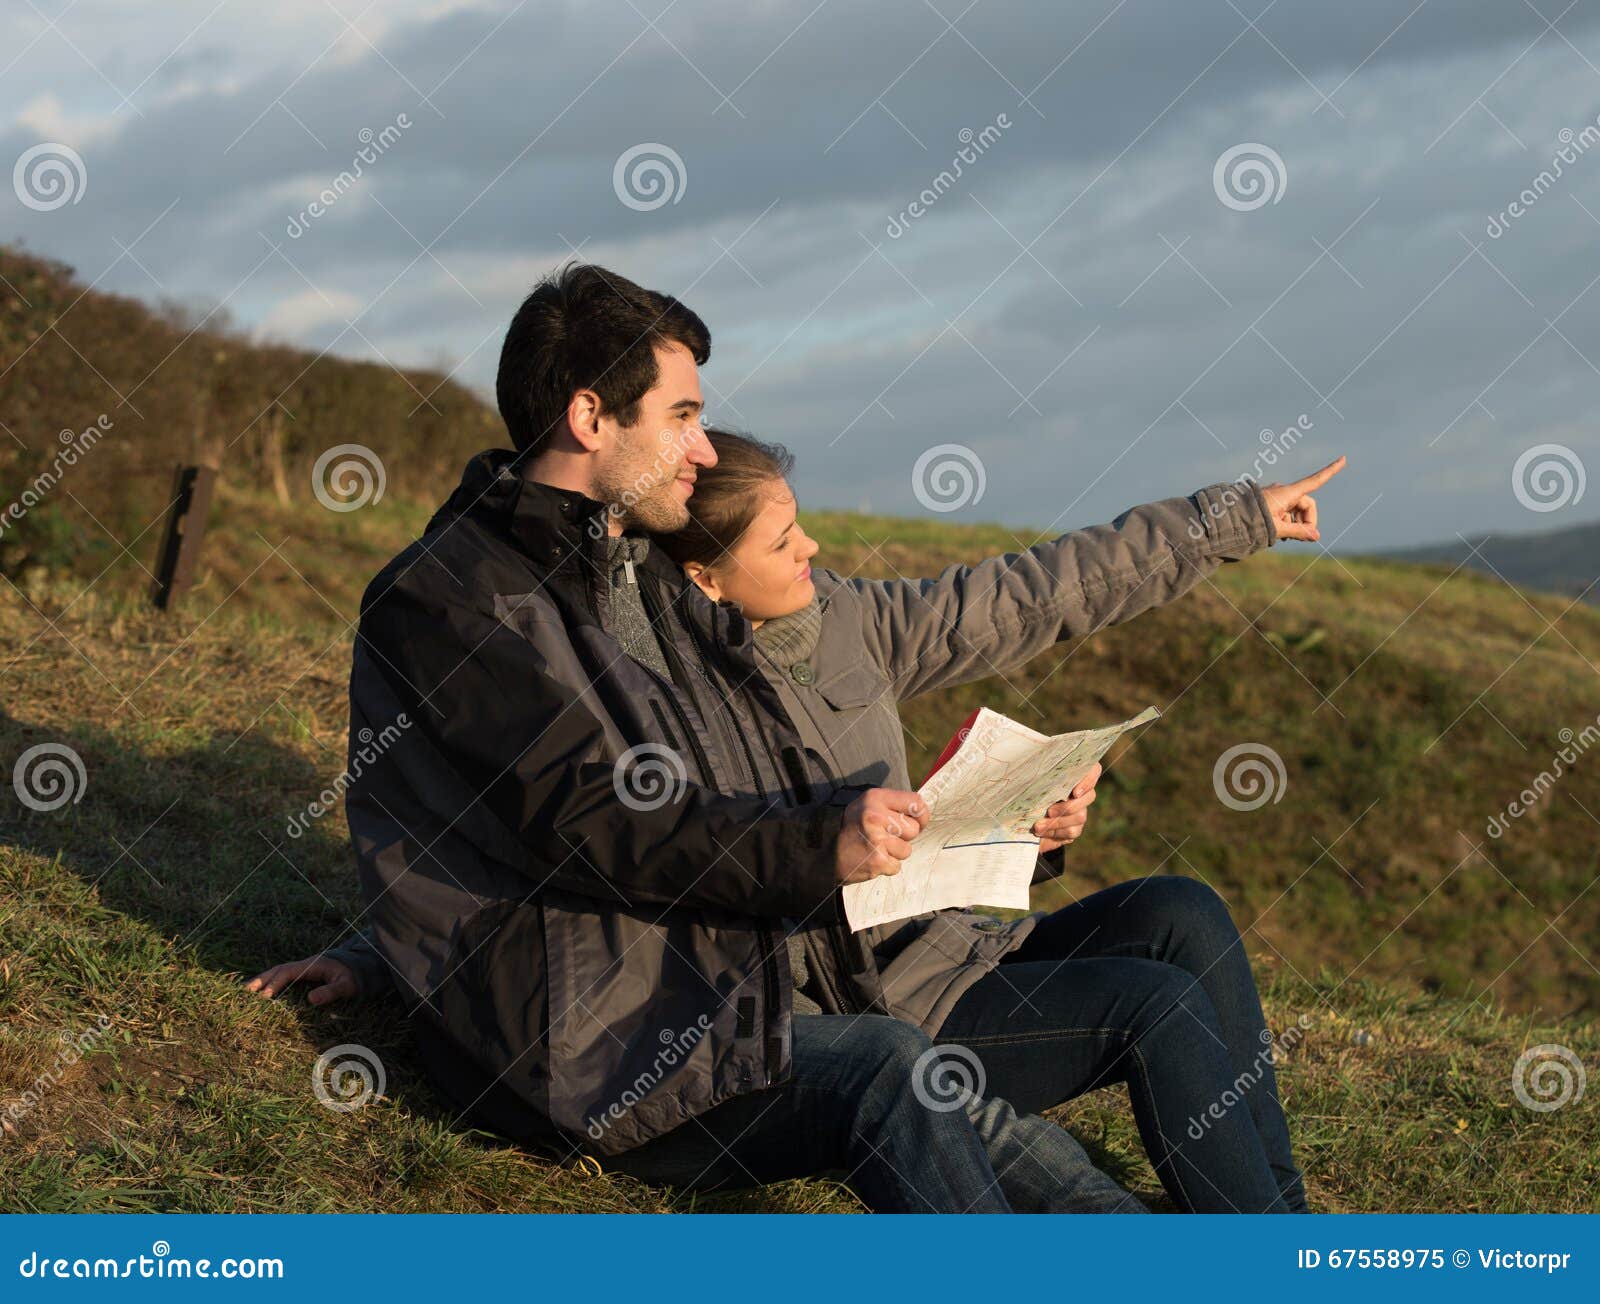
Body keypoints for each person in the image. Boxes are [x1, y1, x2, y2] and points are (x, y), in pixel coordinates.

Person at [249, 262, 1341, 1212]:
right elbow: (584, 824)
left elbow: (1018, 598)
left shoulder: (636, 581)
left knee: (1164, 925)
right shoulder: (468, 601)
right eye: (681, 414)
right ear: (592, 417)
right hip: (617, 1043)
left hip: (773, 973)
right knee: (894, 1065)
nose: (700, 441)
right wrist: (381, 954)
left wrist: (1012, 824)